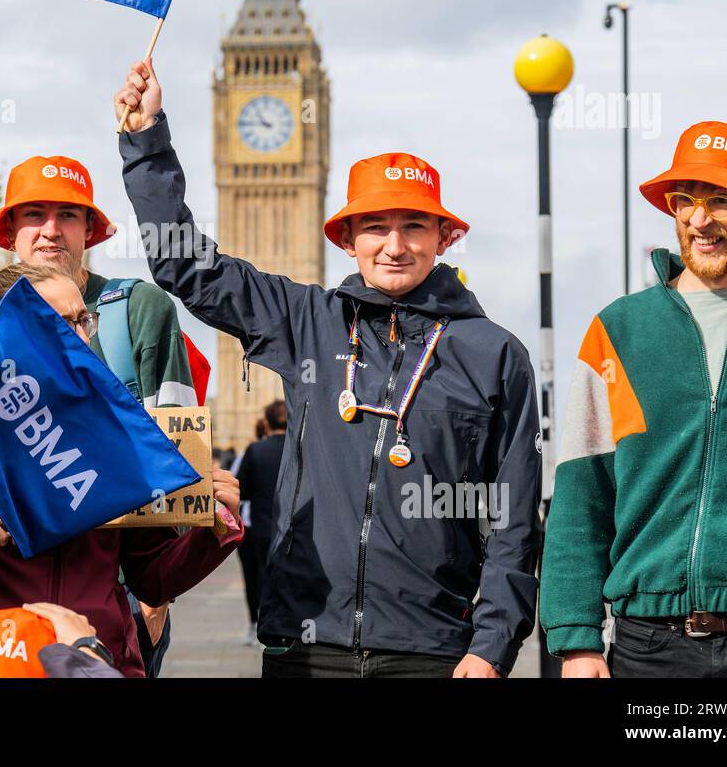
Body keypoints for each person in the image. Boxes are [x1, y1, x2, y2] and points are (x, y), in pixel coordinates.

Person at [113, 59, 541, 678]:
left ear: (444, 237)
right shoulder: (308, 321)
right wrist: (145, 141)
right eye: (376, 227)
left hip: (434, 653)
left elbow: (514, 515)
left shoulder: (494, 353)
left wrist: (492, 646)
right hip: (306, 644)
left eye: (414, 226)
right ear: (348, 240)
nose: (394, 245)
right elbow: (188, 268)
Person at [543, 121, 727, 678]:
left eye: (722, 201)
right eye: (685, 200)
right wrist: (576, 639)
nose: (699, 219)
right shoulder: (619, 329)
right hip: (650, 646)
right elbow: (582, 493)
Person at [0, 263, 242, 678]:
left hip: (99, 661)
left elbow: (151, 578)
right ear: (11, 332)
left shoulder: (119, 434)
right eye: (62, 324)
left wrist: (214, 531)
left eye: (84, 321)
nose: (82, 338)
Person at [0, 154, 199, 675]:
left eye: (68, 215)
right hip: (1, 595)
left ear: (90, 231)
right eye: (33, 214)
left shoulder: (138, 309)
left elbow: (177, 446)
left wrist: (154, 600)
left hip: (114, 596)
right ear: (10, 232)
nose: (50, 230)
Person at [233, 400, 288, 645]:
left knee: (259, 577)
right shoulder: (300, 447)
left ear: (267, 422)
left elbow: (241, 490)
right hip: (295, 528)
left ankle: (260, 626)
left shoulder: (256, 451)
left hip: (263, 527)